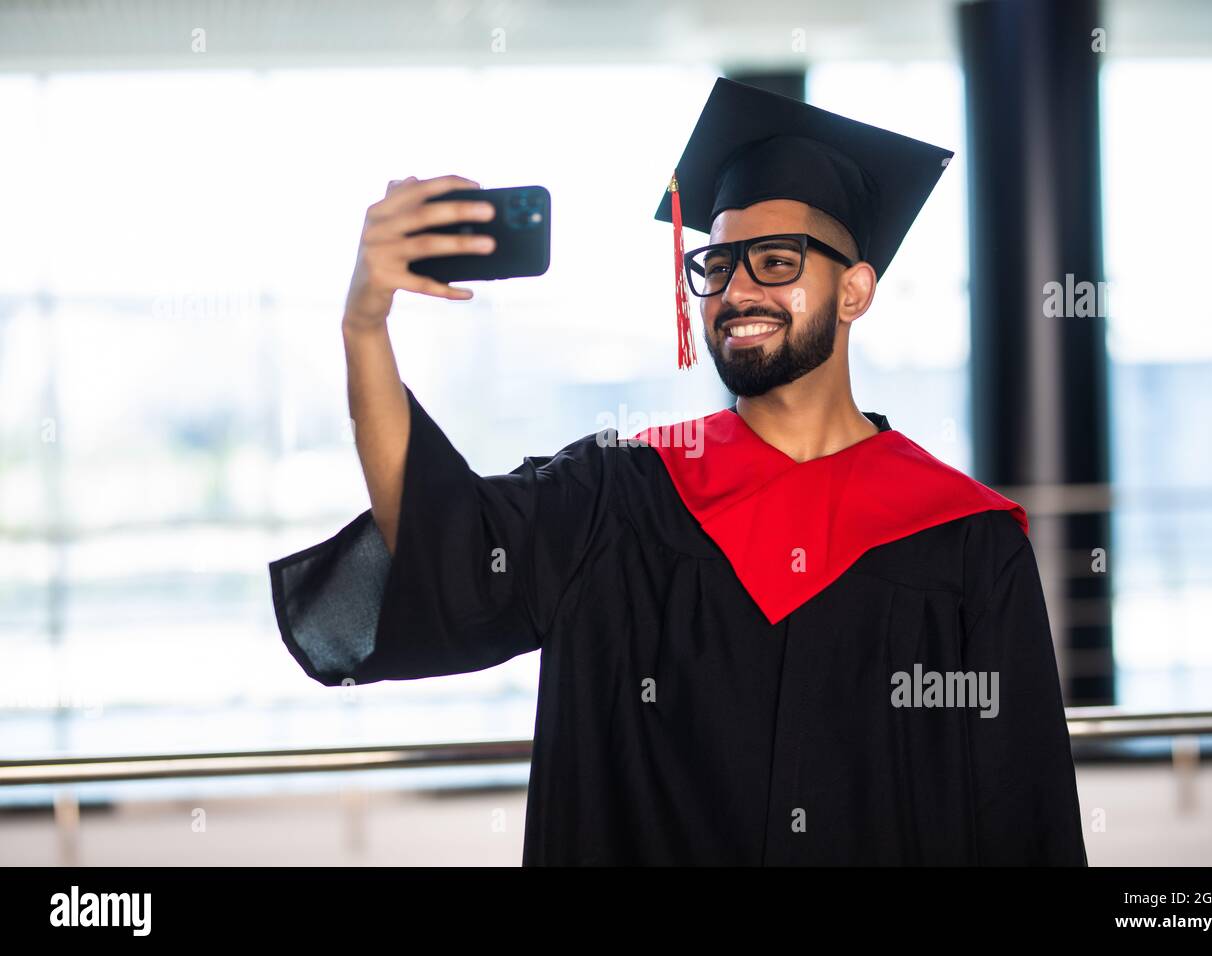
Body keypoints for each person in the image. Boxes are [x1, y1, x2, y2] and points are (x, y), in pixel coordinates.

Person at [268, 77, 1088, 866]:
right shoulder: (620, 496)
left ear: (855, 292)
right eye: (718, 265)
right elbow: (441, 540)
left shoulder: (965, 542)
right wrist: (364, 326)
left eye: (776, 261)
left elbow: (1024, 816)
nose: (736, 290)